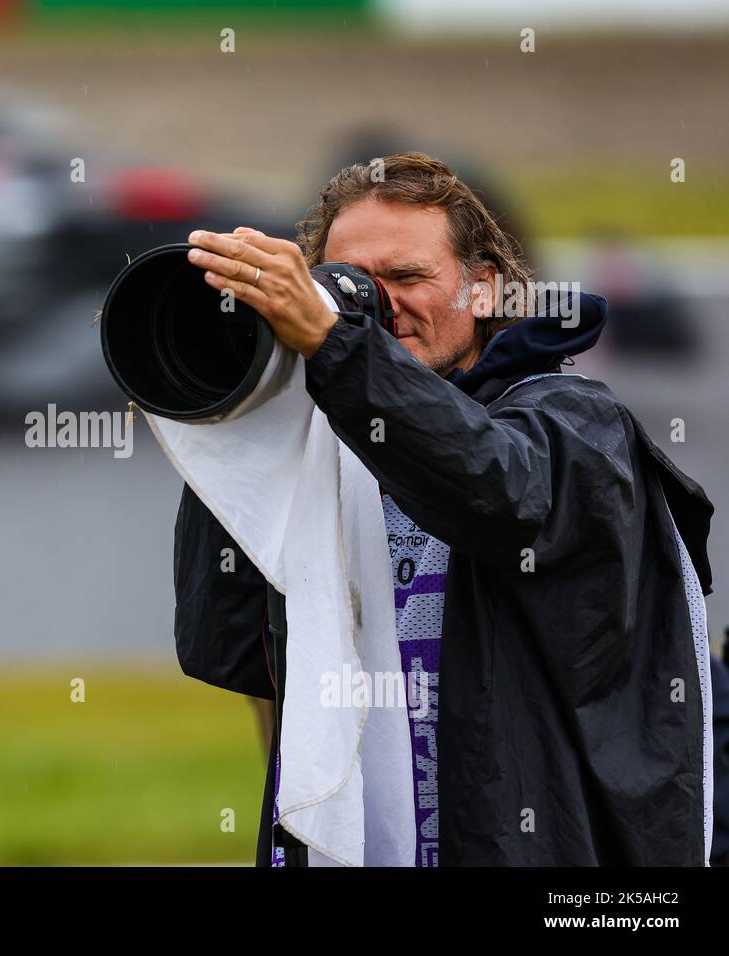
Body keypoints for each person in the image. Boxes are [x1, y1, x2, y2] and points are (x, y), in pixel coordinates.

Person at [173, 152, 715, 866]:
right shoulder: (328, 446)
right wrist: (246, 405)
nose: (381, 306)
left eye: (408, 278)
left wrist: (340, 350)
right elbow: (230, 650)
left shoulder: (578, 425)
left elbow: (496, 488)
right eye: (354, 285)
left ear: (484, 290)